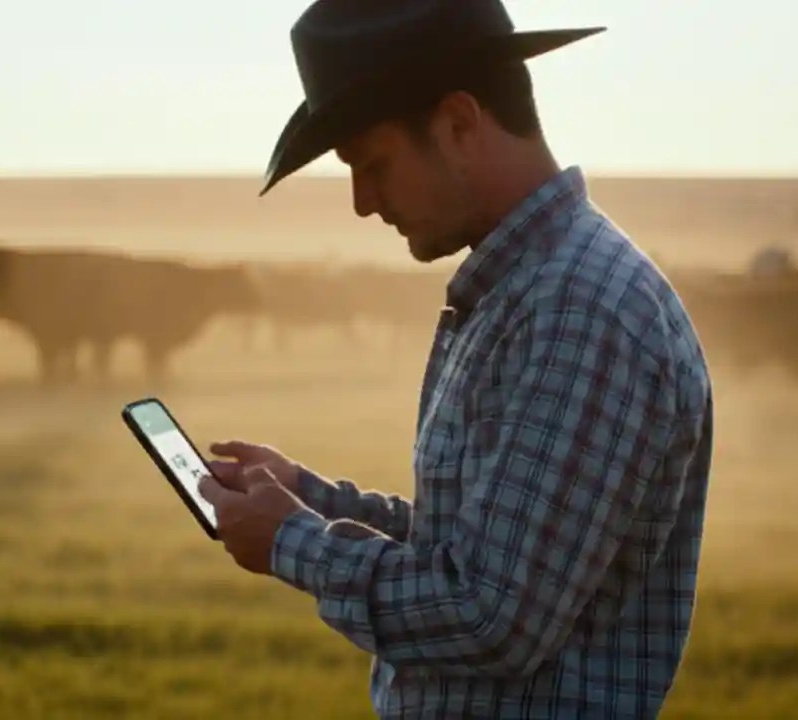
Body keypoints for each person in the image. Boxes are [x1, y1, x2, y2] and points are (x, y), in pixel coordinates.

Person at [196, 0, 715, 717]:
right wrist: (307, 498)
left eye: (373, 165)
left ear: (459, 124)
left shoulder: (579, 310)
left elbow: (489, 615)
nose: (361, 202)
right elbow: (475, 547)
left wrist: (292, 541)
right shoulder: (531, 292)